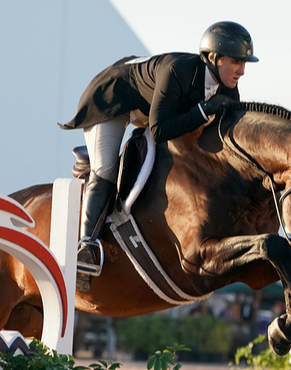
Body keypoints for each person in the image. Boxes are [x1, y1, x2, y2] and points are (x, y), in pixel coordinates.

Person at [59, 21, 259, 290]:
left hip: (147, 105)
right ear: (213, 58)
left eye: (245, 63)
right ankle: (87, 247)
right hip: (112, 100)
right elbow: (160, 129)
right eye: (236, 62)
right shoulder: (178, 71)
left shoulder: (227, 86)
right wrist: (202, 111)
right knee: (106, 169)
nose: (242, 71)